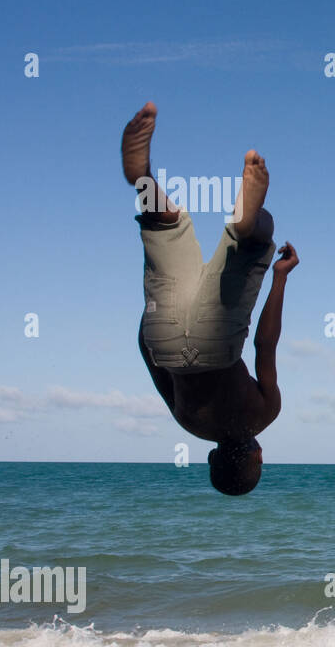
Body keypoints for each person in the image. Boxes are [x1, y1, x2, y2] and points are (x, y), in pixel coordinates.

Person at [121, 102, 299, 493]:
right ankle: (142, 180)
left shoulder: (262, 414)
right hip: (165, 341)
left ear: (258, 456)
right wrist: (153, 316)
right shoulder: (190, 423)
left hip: (219, 343)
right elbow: (149, 359)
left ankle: (246, 223)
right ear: (211, 458)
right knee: (164, 226)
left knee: (254, 242)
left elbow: (264, 344)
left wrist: (281, 277)